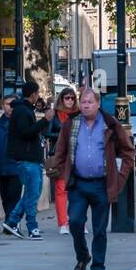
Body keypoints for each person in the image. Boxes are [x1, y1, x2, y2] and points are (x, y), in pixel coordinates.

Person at [50, 88, 135, 270]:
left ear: (97, 104)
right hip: (78, 184)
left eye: (90, 102)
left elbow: (128, 153)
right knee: (75, 221)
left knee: (99, 229)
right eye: (83, 102)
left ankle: (98, 266)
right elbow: (60, 153)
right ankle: (83, 255)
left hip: (101, 184)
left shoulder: (110, 124)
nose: (86, 105)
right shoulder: (71, 124)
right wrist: (64, 174)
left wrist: (120, 178)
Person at [2, 82, 51, 240]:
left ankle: (13, 220)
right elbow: (25, 132)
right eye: (37, 94)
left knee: (33, 192)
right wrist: (45, 120)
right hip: (27, 158)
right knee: (32, 193)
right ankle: (32, 227)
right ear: (34, 94)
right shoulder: (23, 111)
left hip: (31, 157)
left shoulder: (24, 109)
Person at [45, 87, 78, 235]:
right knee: (61, 190)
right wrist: (63, 133)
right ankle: (63, 223)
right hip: (60, 156)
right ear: (62, 99)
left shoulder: (79, 115)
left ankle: (78, 222)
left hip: (77, 156)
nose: (70, 101)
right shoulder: (56, 115)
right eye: (67, 98)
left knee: (78, 191)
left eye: (72, 98)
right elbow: (47, 133)